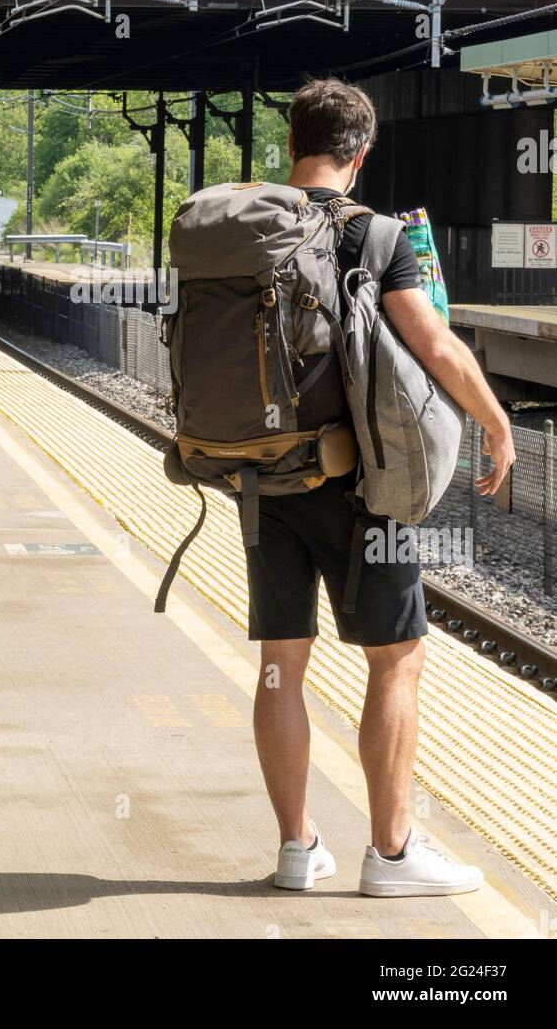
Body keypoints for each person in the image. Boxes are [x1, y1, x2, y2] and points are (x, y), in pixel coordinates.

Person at [249, 78, 515, 897]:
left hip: (263, 476)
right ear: (361, 153)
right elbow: (435, 346)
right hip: (363, 483)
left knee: (280, 665)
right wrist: (495, 422)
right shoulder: (375, 234)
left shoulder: (246, 225)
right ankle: (392, 856)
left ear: (292, 142)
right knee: (397, 659)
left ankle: (297, 850)